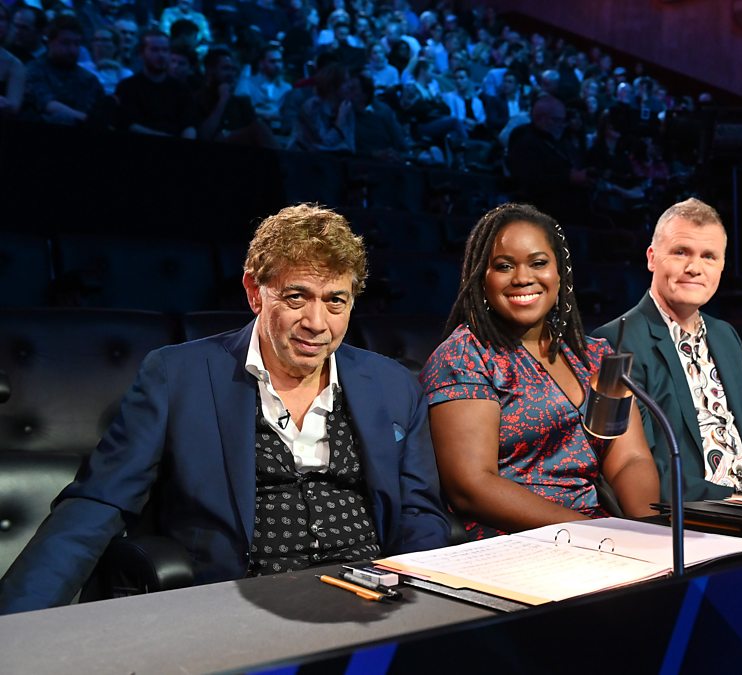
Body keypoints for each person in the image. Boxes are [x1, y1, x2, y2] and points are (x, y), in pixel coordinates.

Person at [0, 204, 450, 614]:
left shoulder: (393, 384)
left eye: (336, 300)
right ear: (255, 293)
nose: (318, 323)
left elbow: (419, 512)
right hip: (240, 605)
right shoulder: (177, 375)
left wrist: (425, 604)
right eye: (296, 297)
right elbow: (99, 501)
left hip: (373, 601)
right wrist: (18, 621)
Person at [420, 203, 658, 540]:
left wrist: (647, 534)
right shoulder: (465, 357)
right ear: (481, 278)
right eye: (504, 266)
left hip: (602, 534)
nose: (522, 277)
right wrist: (592, 533)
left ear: (560, 273)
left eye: (538, 263)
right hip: (513, 538)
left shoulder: (597, 355)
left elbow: (628, 458)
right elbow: (472, 487)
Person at [593, 199, 742, 501]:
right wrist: (736, 502)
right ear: (651, 257)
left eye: (709, 257)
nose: (694, 268)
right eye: (680, 252)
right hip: (687, 518)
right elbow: (640, 466)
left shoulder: (726, 336)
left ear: (722, 266)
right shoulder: (615, 342)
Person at [114, 29, 199, 137]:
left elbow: (189, 124)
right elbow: (128, 124)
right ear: (141, 53)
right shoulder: (128, 87)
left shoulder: (182, 89)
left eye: (165, 50)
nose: (161, 55)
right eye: (155, 50)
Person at [21, 16, 103, 126]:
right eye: (66, 43)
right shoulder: (34, 69)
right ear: (49, 42)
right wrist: (89, 120)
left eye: (77, 44)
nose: (72, 50)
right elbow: (47, 105)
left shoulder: (89, 79)